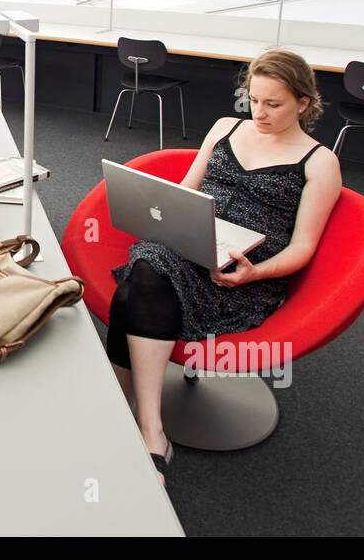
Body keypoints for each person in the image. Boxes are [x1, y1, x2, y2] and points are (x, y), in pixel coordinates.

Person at [107, 48, 342, 483]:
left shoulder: (320, 162)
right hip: (193, 241)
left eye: (274, 104)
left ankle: (140, 420)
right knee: (152, 263)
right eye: (254, 100)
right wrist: (165, 218)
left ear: (303, 104)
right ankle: (146, 426)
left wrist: (256, 272)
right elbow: (185, 191)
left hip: (243, 272)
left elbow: (304, 247)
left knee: (144, 275)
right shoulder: (224, 128)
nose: (260, 113)